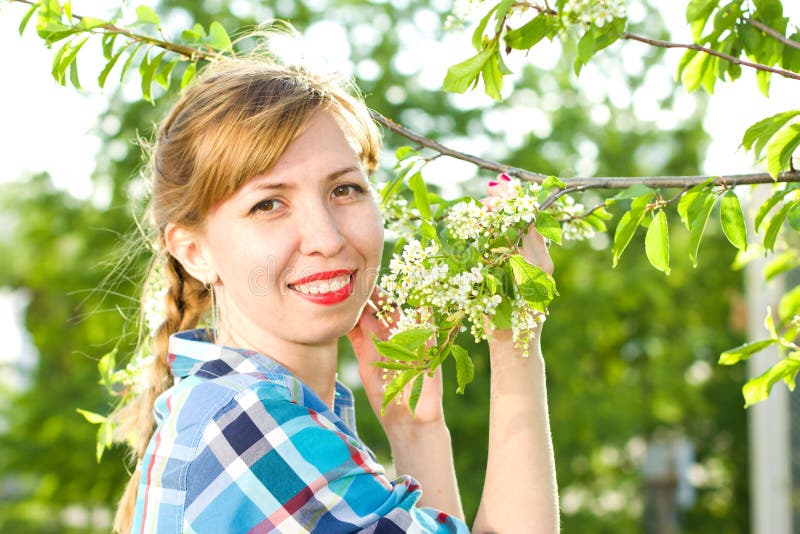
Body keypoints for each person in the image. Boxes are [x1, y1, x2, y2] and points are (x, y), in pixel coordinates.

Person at [111, 56, 559, 533]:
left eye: (344, 190)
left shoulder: (254, 413)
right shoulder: (249, 426)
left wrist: (416, 431)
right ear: (195, 251)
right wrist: (515, 338)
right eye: (268, 204)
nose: (326, 237)